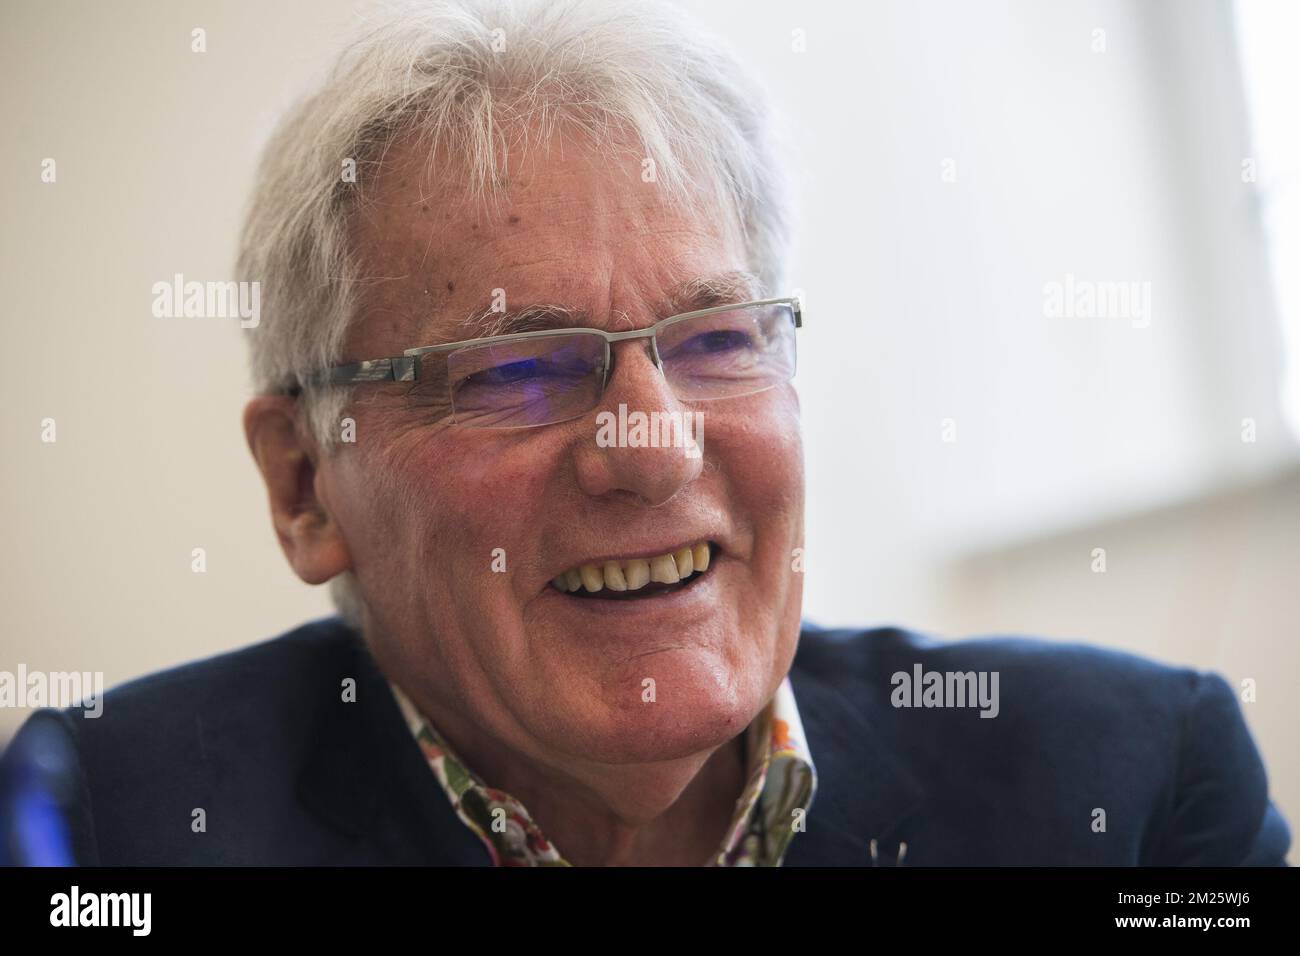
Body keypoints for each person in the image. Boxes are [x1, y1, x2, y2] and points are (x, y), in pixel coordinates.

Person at [1, 0, 1289, 866]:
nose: (655, 446)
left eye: (718, 340)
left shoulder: (1130, 787)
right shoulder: (113, 828)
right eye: (516, 369)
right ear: (304, 486)